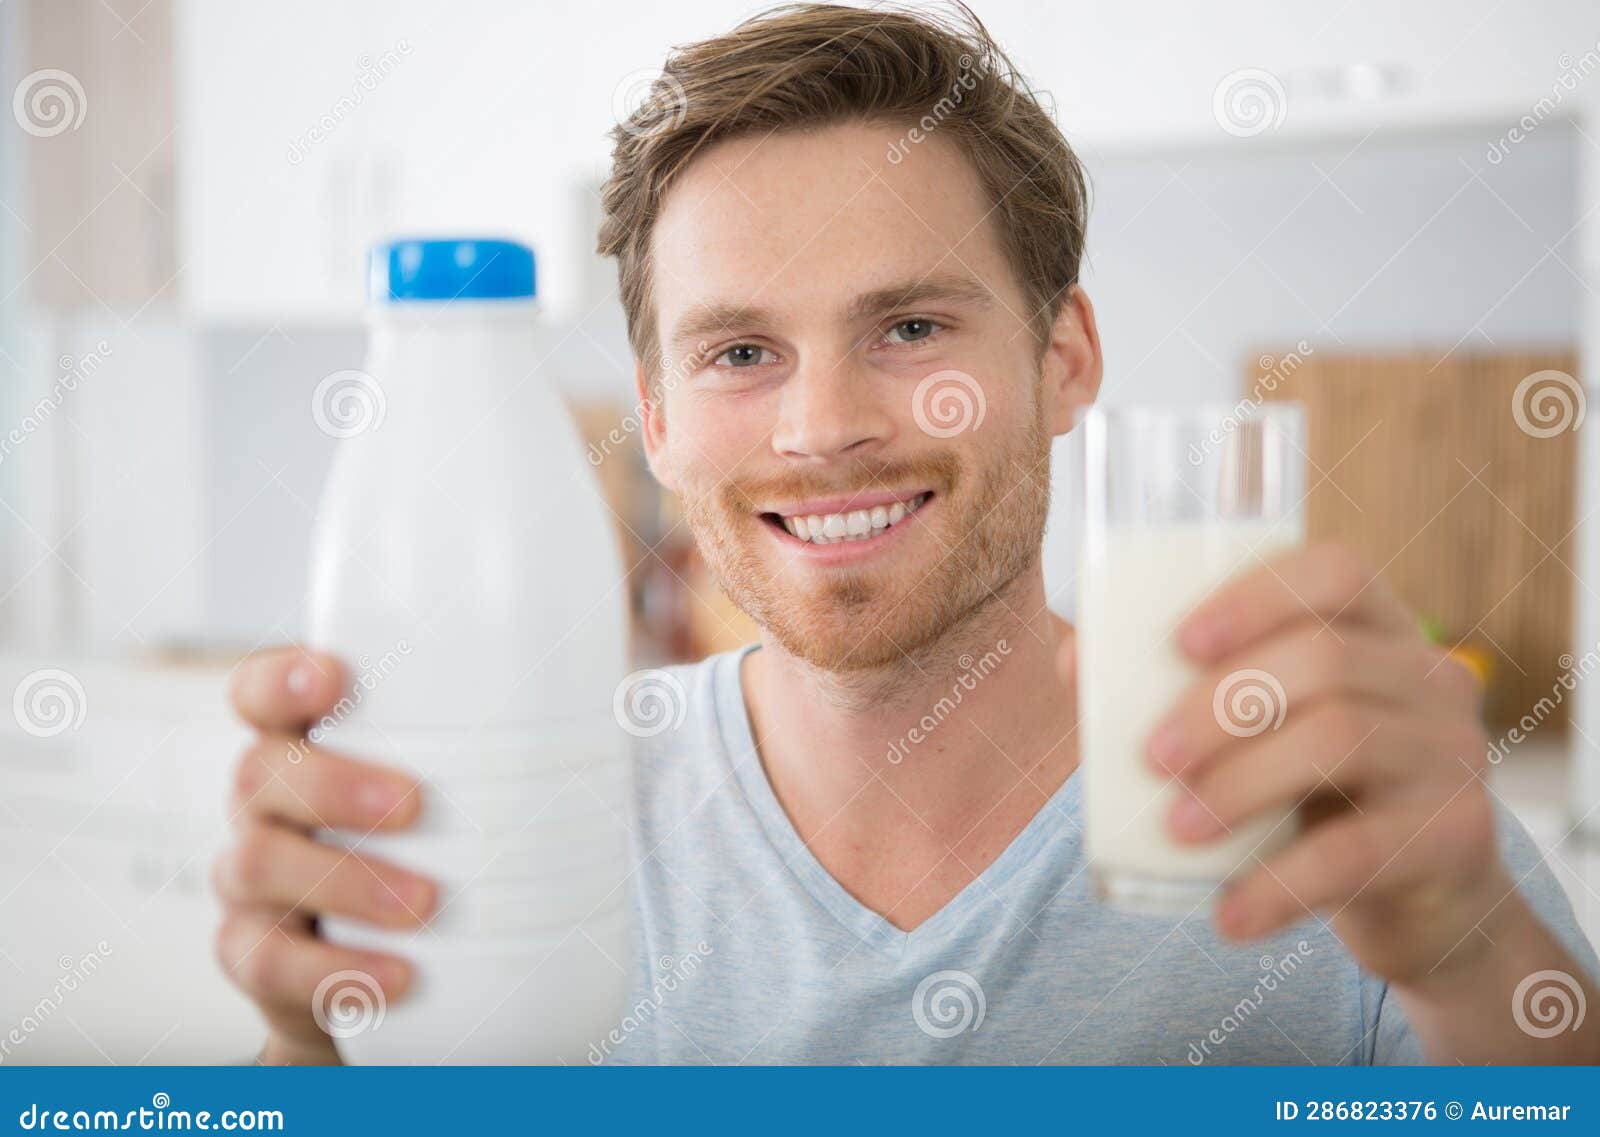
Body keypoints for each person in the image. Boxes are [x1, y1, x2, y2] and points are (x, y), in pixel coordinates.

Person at [213, 3, 1600, 1064]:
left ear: (1067, 358)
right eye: (742, 350)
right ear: (655, 416)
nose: (823, 427)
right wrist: (314, 1053)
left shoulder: (1340, 816)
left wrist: (1474, 964)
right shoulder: (519, 827)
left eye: (912, 328)